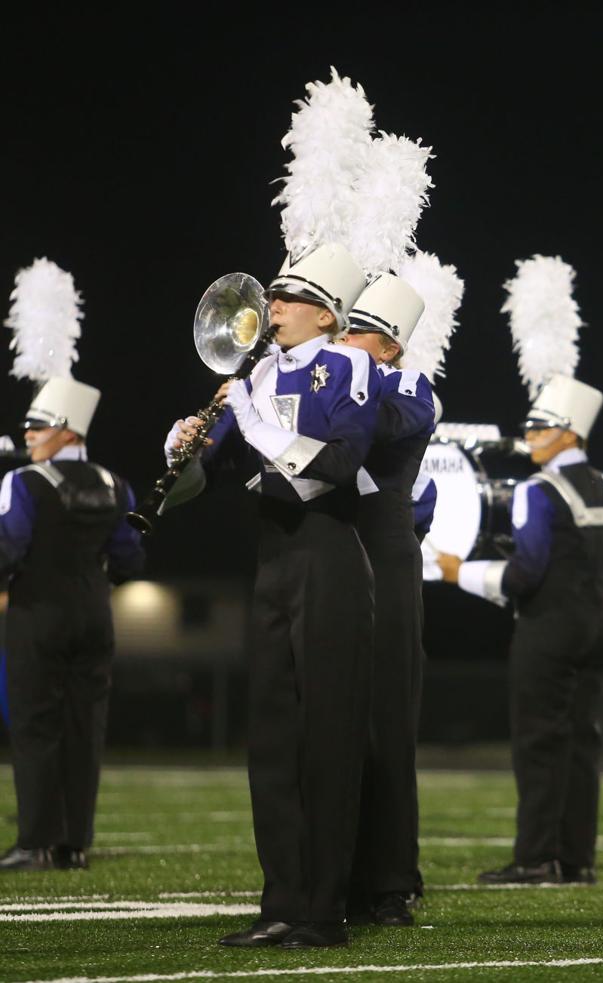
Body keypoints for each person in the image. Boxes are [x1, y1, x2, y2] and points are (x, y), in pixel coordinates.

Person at [169, 243, 377, 949]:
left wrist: (253, 421)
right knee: (272, 742)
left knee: (328, 740)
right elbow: (213, 473)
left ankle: (324, 911)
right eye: (275, 295)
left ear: (325, 313)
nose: (273, 306)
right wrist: (184, 449)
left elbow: (338, 465)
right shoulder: (257, 373)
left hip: (329, 555)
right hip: (274, 561)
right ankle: (281, 902)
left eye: (289, 298)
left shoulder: (347, 365)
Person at [437, 374, 603, 885]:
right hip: (602, 624)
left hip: (549, 627)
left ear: (570, 433)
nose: (529, 436)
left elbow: (525, 576)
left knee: (538, 742)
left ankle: (535, 858)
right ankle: (577, 860)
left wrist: (463, 574)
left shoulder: (537, 491)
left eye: (540, 427)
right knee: (583, 742)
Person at [0, 378, 144, 871]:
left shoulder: (23, 482)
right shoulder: (114, 484)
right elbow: (129, 559)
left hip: (37, 615)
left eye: (38, 426)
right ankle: (73, 845)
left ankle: (37, 842)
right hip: (95, 616)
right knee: (85, 726)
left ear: (68, 431)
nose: (28, 434)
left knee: (35, 724)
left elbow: (8, 548)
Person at [337, 273, 437, 927]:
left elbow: (381, 425)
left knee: (388, 723)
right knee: (330, 722)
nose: (343, 340)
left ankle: (391, 881)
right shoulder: (328, 380)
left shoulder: (411, 386)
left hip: (387, 565)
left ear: (391, 346)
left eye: (358, 332)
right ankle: (333, 874)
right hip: (332, 554)